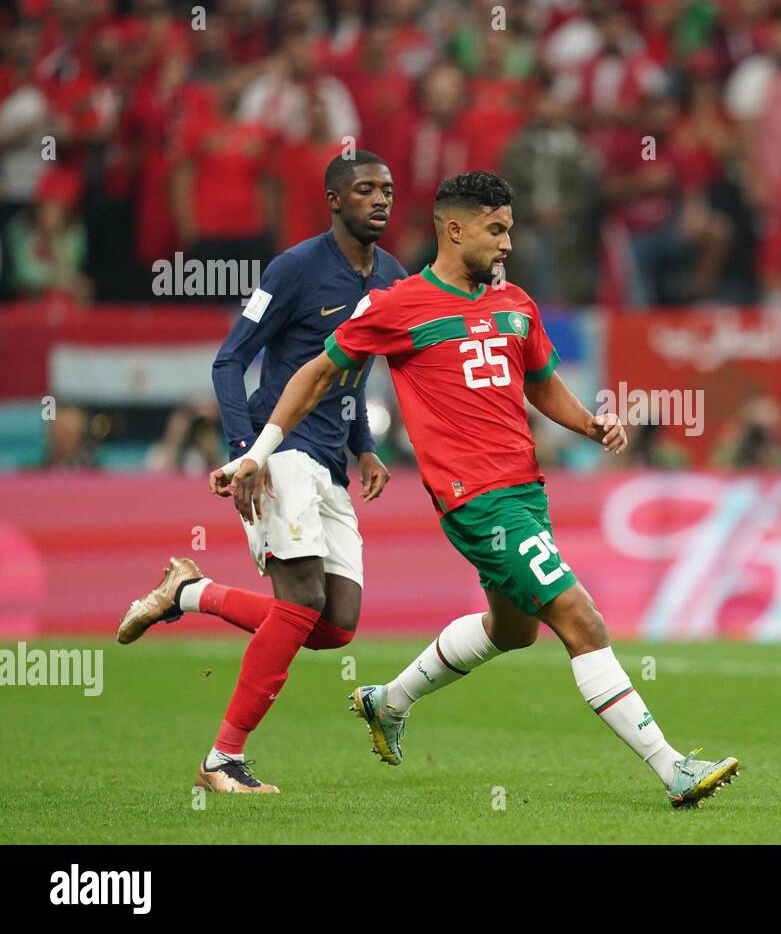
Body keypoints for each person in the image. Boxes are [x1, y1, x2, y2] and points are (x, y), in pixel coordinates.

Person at [213, 171, 739, 807]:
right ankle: (672, 768)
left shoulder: (516, 304)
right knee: (581, 619)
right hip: (476, 500)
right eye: (496, 229)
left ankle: (390, 700)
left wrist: (589, 422)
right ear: (454, 229)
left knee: (513, 630)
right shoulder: (399, 305)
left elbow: (540, 382)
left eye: (510, 229)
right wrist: (257, 452)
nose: (507, 243)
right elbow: (317, 374)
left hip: (526, 492)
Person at [117, 151, 405, 794]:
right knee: (301, 600)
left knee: (334, 625)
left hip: (330, 459)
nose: (380, 200)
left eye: (387, 190)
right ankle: (222, 760)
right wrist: (246, 450)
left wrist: (362, 446)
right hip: (280, 453)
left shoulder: (391, 275)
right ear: (334, 200)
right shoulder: (295, 269)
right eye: (364, 190)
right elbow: (230, 361)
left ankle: (186, 592)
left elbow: (350, 371)